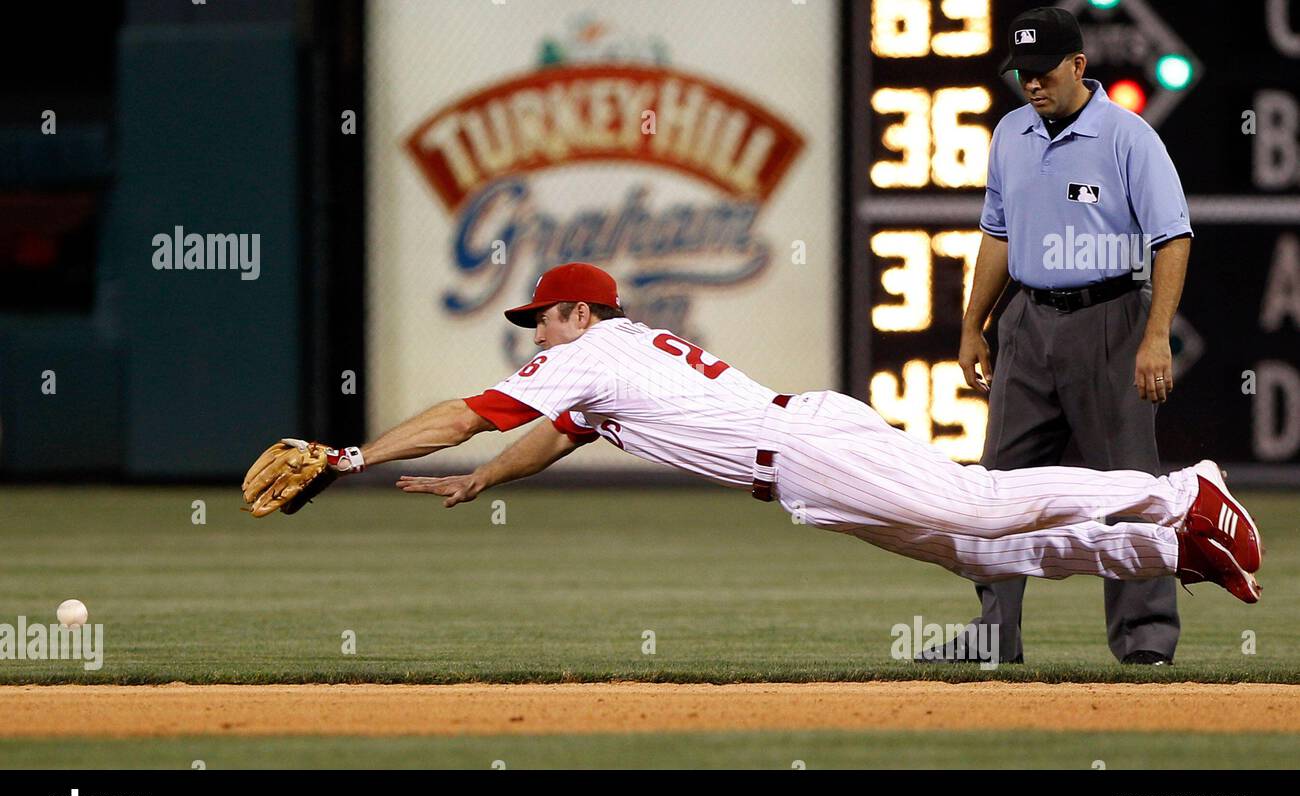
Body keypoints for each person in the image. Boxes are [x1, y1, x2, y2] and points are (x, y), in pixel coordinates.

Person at [248, 262, 1262, 607]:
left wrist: (351, 456)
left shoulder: (591, 348)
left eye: (541, 319)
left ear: (577, 315)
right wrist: (486, 483)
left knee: (977, 501)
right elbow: (555, 432)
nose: (535, 335)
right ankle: (1168, 544)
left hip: (811, 450)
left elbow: (474, 410)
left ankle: (1181, 490)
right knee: (983, 550)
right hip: (805, 467)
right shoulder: (609, 364)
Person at [939, 7, 1197, 665]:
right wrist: (974, 324)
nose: (1031, 83)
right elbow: (996, 234)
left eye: (1044, 70)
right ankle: (994, 632)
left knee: (1129, 486)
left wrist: (1156, 334)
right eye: (1022, 71)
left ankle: (1146, 641)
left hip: (1110, 316)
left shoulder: (1127, 136)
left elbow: (1173, 237)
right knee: (997, 486)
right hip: (1027, 320)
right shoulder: (1010, 133)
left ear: (1079, 65)